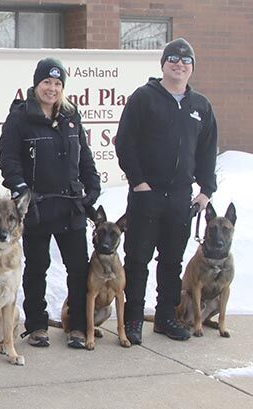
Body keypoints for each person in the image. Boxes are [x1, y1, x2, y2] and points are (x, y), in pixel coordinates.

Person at [116, 38, 217, 344]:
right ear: (163, 64)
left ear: (192, 69)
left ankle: (165, 318)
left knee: (171, 260)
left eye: (186, 61)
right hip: (146, 194)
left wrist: (206, 189)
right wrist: (139, 182)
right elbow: (125, 142)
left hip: (179, 197)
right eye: (173, 58)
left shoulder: (200, 106)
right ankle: (133, 319)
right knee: (137, 259)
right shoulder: (144, 98)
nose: (179, 64)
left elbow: (207, 151)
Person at [0, 57, 101, 349]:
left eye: (57, 83)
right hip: (37, 208)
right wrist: (20, 190)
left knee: (78, 269)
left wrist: (92, 187)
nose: (52, 88)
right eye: (46, 82)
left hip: (70, 206)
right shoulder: (21, 116)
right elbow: (8, 158)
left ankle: (78, 327)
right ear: (36, 84)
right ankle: (37, 326)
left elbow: (85, 157)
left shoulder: (70, 116)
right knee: (36, 268)